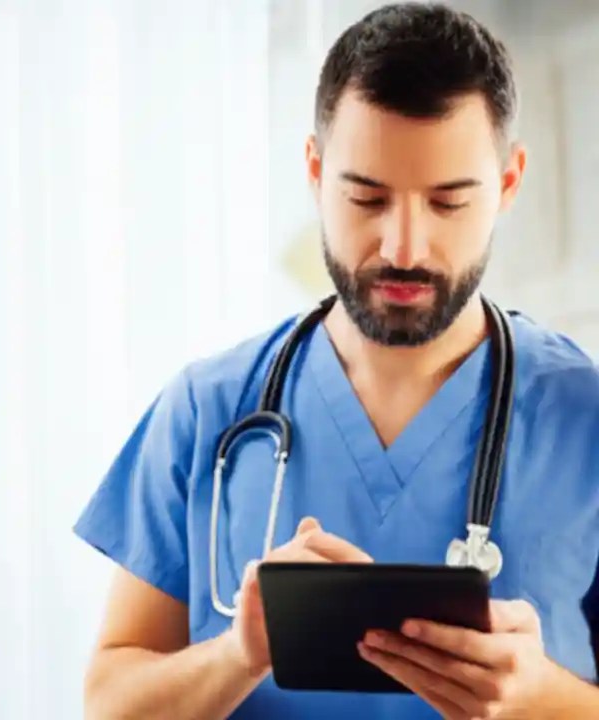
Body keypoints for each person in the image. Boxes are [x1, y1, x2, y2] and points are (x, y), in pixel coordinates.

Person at [75, 3, 599, 718]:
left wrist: (544, 701)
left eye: (448, 202)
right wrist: (242, 653)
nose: (404, 247)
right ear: (316, 172)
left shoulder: (585, 418)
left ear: (508, 184)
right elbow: (109, 705)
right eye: (366, 196)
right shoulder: (209, 409)